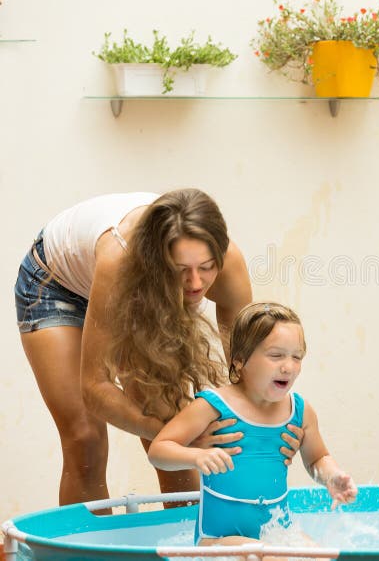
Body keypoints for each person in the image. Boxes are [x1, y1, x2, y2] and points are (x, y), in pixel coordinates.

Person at [14, 189, 303, 506]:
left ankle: (187, 548)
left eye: (206, 267)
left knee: (169, 411)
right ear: (157, 259)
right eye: (180, 270)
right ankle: (85, 552)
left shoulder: (228, 263)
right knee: (86, 438)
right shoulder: (120, 259)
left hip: (138, 293)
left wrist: (272, 427)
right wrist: (183, 437)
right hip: (57, 285)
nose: (195, 283)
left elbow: (249, 373)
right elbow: (95, 387)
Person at [148, 302, 357, 552]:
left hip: (279, 532)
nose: (288, 366)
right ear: (239, 361)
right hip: (218, 539)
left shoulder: (300, 411)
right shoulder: (214, 406)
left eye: (296, 357)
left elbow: (317, 459)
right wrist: (196, 456)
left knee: (322, 556)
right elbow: (159, 450)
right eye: (276, 355)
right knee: (264, 555)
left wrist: (331, 476)